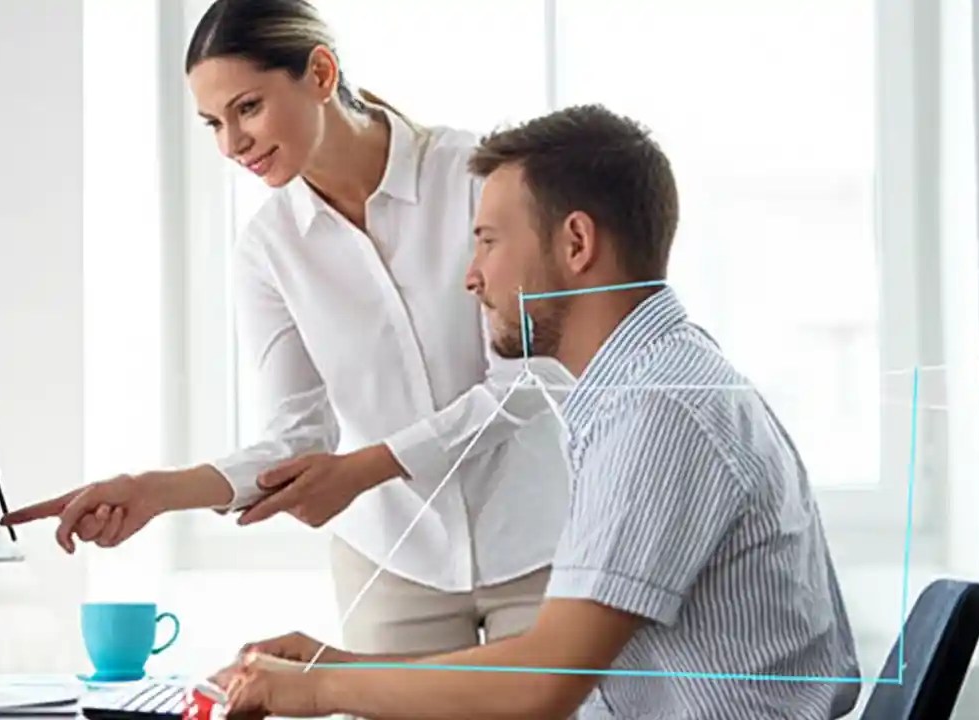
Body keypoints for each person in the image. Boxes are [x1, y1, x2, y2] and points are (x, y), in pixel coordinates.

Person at [216, 104, 862, 720]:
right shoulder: (650, 383)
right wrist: (339, 667)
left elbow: (542, 686)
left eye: (489, 241)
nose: (471, 277)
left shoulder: (656, 413)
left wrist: (320, 687)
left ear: (576, 242)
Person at [0, 0, 574, 659]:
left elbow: (534, 376)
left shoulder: (476, 178)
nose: (231, 143)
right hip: (393, 563)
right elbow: (296, 436)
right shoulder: (268, 249)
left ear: (321, 74)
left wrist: (366, 466)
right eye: (214, 123)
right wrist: (155, 491)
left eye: (247, 108)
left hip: (539, 545)